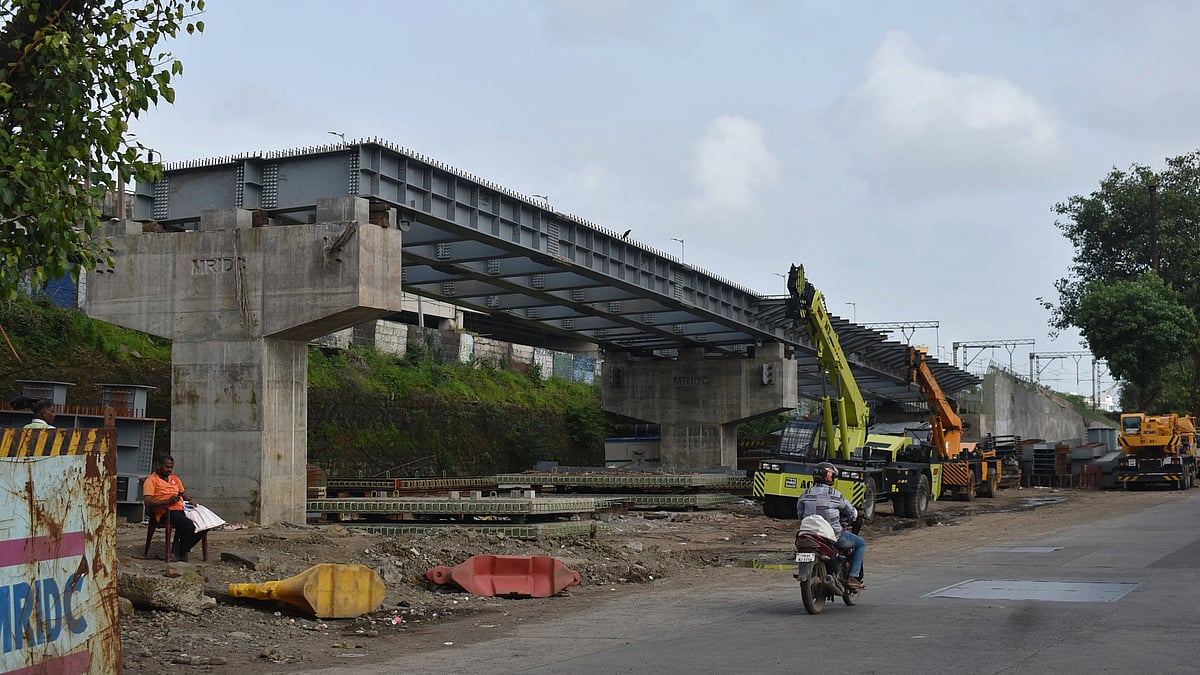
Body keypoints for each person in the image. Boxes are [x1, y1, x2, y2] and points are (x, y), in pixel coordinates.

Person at [796, 461, 867, 589]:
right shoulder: (835, 495)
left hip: (807, 533)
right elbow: (851, 513)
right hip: (832, 536)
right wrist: (857, 514)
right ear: (829, 476)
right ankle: (853, 577)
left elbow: (800, 515)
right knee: (861, 543)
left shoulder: (805, 494)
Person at [143, 455, 203, 562]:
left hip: (181, 508)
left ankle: (181, 547)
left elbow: (182, 493)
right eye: (167, 467)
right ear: (159, 466)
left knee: (204, 524)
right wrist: (168, 501)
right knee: (188, 525)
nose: (169, 470)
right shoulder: (151, 480)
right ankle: (181, 550)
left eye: (171, 467)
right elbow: (148, 502)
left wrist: (191, 500)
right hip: (164, 512)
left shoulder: (174, 478)